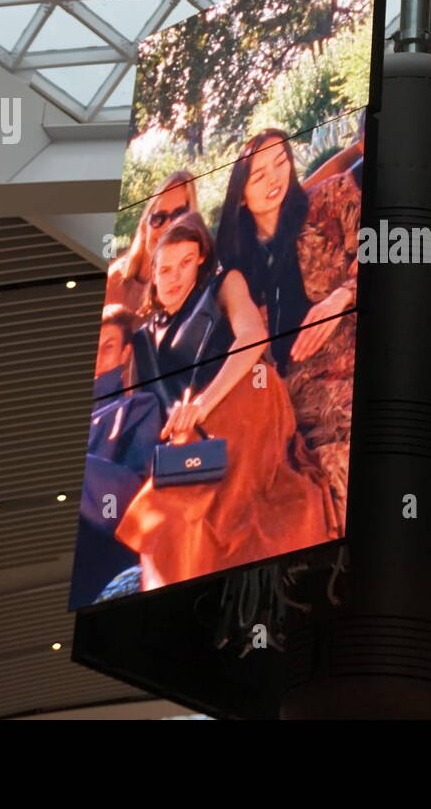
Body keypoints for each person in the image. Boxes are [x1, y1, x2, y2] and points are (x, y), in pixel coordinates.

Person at [113, 216, 335, 590]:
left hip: (247, 391)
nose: (174, 277)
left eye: (185, 263)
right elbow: (146, 409)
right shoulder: (145, 338)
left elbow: (252, 336)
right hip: (195, 429)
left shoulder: (223, 283)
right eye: (165, 269)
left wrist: (203, 403)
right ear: (153, 275)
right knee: (173, 509)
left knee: (228, 505)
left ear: (201, 260)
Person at [217, 129, 360, 522]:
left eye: (280, 162)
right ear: (240, 194)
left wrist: (341, 296)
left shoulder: (330, 199)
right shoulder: (237, 265)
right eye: (259, 174)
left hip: (346, 377)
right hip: (283, 403)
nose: (274, 178)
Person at [70, 304, 160, 606]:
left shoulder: (139, 408)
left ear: (125, 353)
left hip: (100, 544)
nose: (96, 358)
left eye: (107, 348)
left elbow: (134, 493)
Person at [106, 170, 199, 316]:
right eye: (158, 217)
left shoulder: (193, 294)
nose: (167, 227)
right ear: (144, 227)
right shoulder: (115, 279)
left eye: (178, 216)